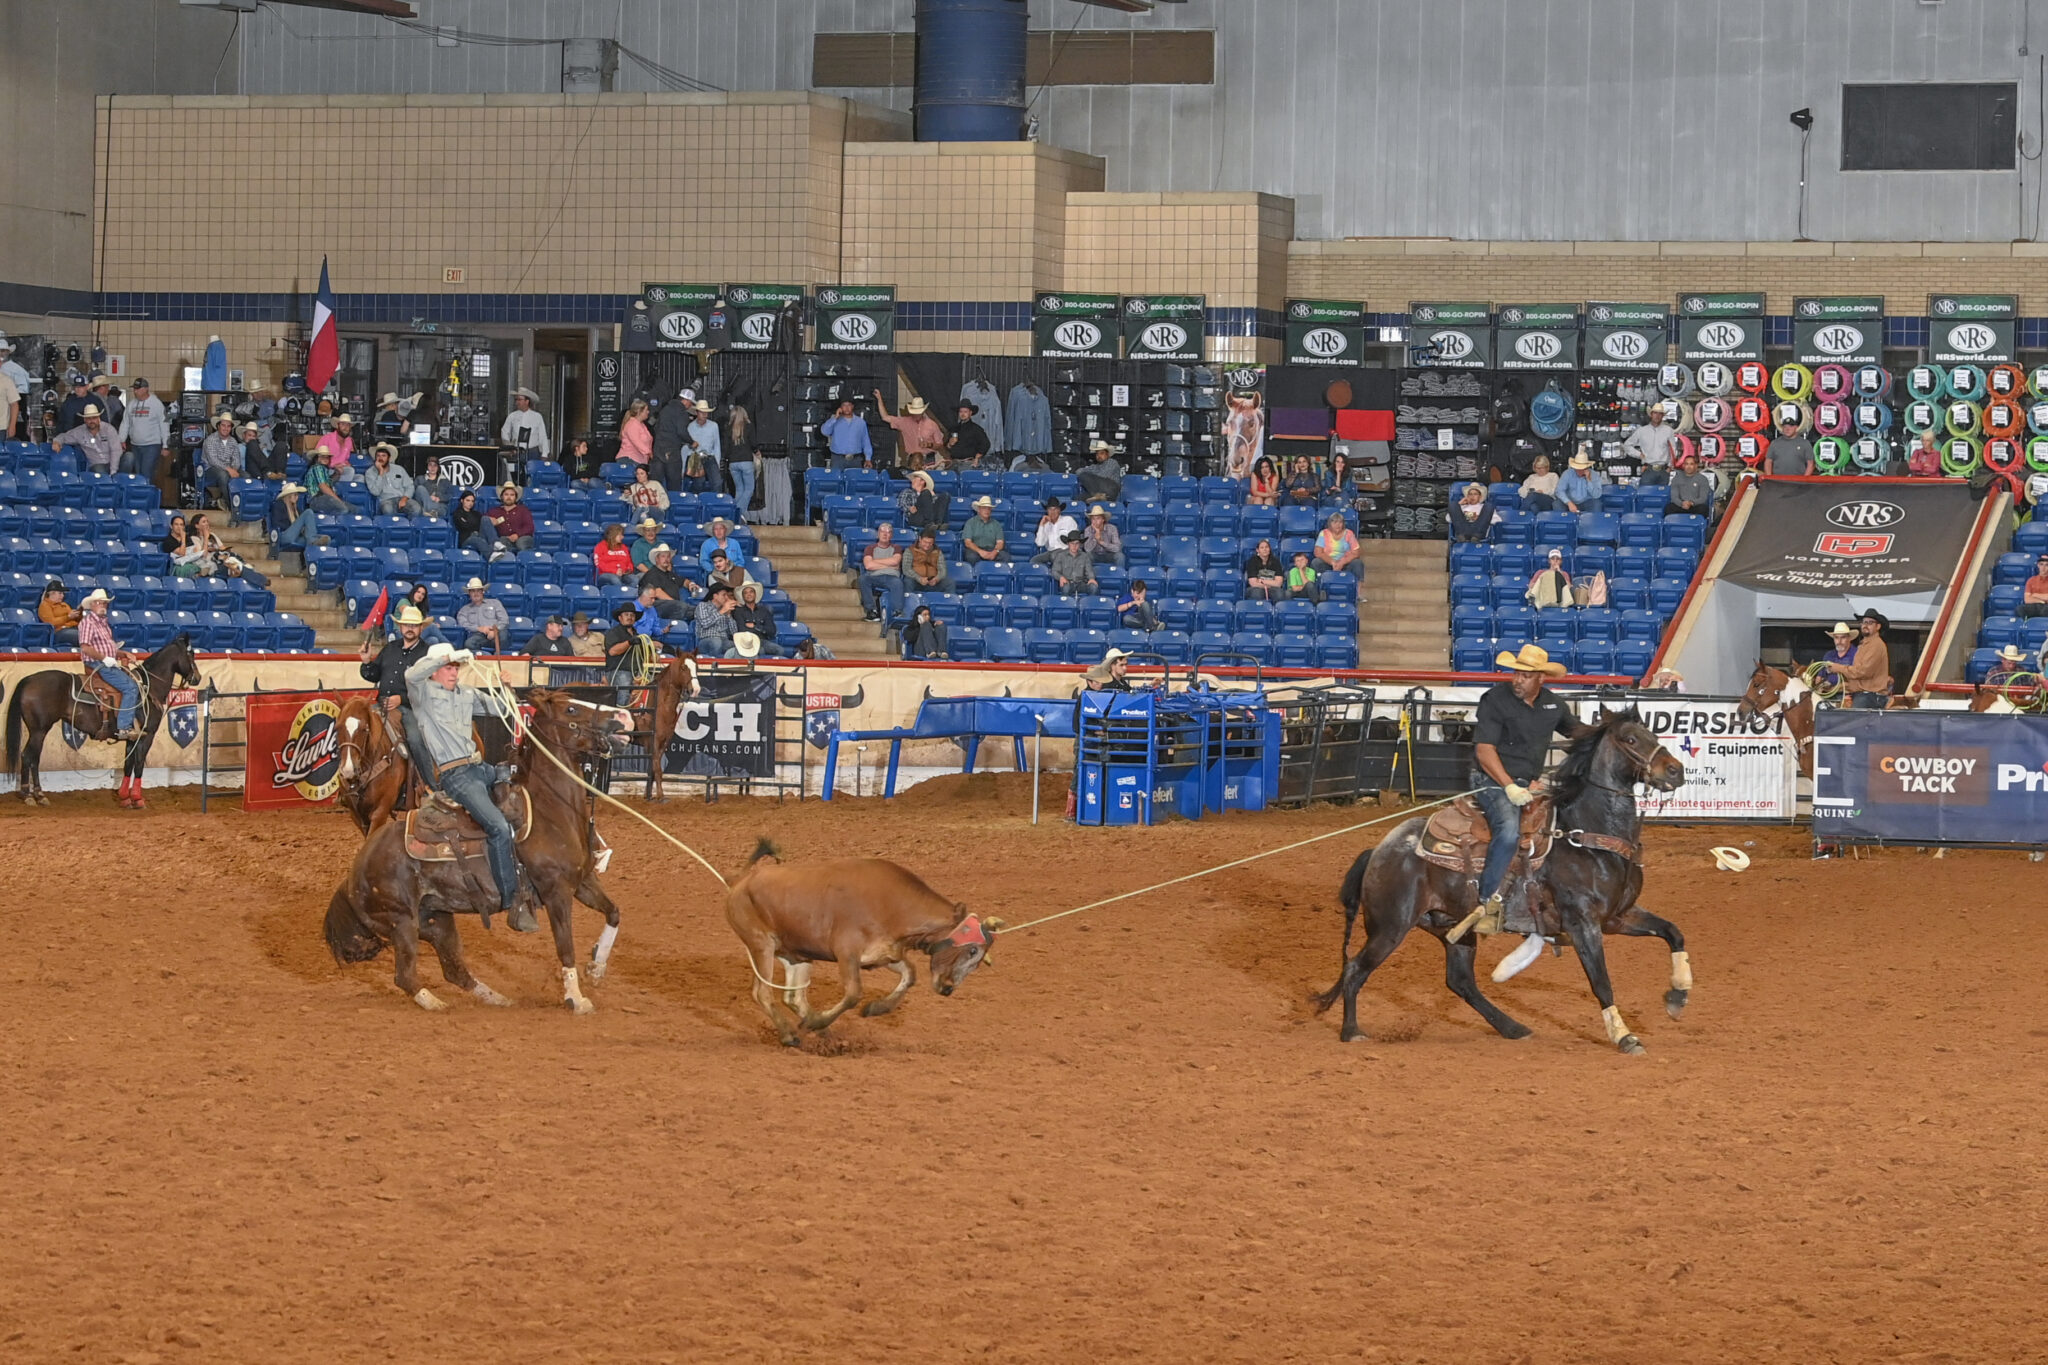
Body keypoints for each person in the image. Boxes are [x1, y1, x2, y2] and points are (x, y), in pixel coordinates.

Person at [1468, 643, 1583, 980]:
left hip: (1528, 783)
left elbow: (1577, 733)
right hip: (1491, 779)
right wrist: (1509, 786)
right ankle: (1487, 903)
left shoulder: (1552, 704)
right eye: (1516, 672)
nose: (1518, 679)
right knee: (1507, 830)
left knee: (1560, 832)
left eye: (1526, 674)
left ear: (1540, 679)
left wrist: (1608, 737)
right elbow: (1485, 749)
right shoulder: (1495, 699)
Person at [404, 642, 532, 931]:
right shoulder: (422, 693)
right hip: (456, 775)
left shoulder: (466, 694)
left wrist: (505, 688)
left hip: (479, 768)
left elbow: (500, 709)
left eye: (455, 667)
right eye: (448, 668)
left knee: (520, 790)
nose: (453, 672)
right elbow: (411, 676)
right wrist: (447, 656)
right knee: (497, 827)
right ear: (436, 670)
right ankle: (512, 899)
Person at [76, 588, 142, 740]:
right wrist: (104, 659)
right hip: (97, 664)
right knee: (131, 687)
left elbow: (109, 650)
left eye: (105, 603)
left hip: (105, 662)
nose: (103, 605)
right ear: (92, 604)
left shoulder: (104, 624)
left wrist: (123, 654)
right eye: (99, 602)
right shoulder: (88, 623)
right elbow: (85, 647)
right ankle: (124, 727)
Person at [1817, 610, 1891, 709]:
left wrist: (1837, 668)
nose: (1865, 625)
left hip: (1869, 696)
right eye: (1864, 622)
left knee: (1853, 721)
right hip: (1863, 695)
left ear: (1878, 626)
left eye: (1870, 623)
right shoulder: (1864, 645)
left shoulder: (1876, 645)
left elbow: (1862, 672)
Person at [874, 390, 947, 469]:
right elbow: (885, 417)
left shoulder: (932, 424)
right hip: (912, 458)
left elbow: (940, 445)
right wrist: (879, 399)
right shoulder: (904, 421)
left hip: (928, 458)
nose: (916, 414)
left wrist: (929, 445)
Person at [119, 378, 168, 484]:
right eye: (134, 389)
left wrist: (166, 445)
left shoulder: (156, 404)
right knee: (138, 474)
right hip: (135, 445)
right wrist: (121, 439)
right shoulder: (131, 404)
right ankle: (140, 496)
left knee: (146, 473)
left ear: (146, 389)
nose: (135, 391)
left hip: (152, 445)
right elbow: (125, 423)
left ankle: (147, 497)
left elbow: (164, 424)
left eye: (138, 389)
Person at [54, 403, 124, 476]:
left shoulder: (109, 429)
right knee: (99, 469)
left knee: (129, 457)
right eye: (88, 418)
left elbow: (115, 451)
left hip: (113, 462)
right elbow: (64, 436)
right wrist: (56, 441)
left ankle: (121, 481)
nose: (91, 421)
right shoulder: (79, 431)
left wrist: (113, 471)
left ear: (98, 418)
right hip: (96, 465)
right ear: (84, 420)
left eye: (94, 418)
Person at [636, 544, 700, 619]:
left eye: (668, 556)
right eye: (663, 556)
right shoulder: (651, 574)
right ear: (657, 559)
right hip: (657, 607)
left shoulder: (671, 575)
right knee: (682, 607)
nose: (666, 559)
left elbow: (683, 581)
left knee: (693, 610)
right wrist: (675, 603)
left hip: (674, 607)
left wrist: (690, 584)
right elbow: (658, 593)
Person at [1622, 403, 1679, 484]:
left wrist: (1670, 466)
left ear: (1663, 416)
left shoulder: (1669, 431)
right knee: (1646, 494)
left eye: (1660, 413)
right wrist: (1639, 454)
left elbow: (1673, 449)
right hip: (1648, 468)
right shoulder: (1642, 431)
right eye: (1655, 413)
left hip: (1663, 470)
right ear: (1651, 414)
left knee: (1661, 495)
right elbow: (1627, 445)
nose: (1657, 416)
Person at [860, 523, 905, 621]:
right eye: (882, 532)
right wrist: (889, 563)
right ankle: (871, 611)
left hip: (891, 577)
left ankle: (896, 612)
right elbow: (868, 565)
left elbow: (895, 561)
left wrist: (875, 562)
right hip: (874, 576)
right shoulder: (870, 548)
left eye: (888, 532)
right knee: (863, 579)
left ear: (891, 535)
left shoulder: (896, 548)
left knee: (898, 583)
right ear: (878, 534)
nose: (885, 534)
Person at [456, 577, 509, 654]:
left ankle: (497, 658)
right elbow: (463, 624)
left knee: (503, 636)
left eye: (478, 590)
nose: (476, 593)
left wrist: (495, 630)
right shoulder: (464, 610)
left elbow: (504, 620)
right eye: (473, 591)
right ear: (469, 593)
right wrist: (478, 628)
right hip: (479, 635)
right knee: (469, 643)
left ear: (482, 592)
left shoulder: (495, 603)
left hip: (497, 632)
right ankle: (484, 657)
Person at [364, 443, 419, 516]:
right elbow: (375, 492)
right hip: (385, 501)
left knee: (416, 508)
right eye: (378, 456)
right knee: (388, 510)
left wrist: (404, 498)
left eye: (383, 456)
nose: (380, 458)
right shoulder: (370, 472)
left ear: (389, 458)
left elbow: (410, 486)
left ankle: (409, 527)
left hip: (401, 498)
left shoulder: (399, 469)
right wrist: (380, 473)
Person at [732, 581, 785, 657]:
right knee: (761, 651)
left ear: (755, 594)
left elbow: (772, 630)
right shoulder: (738, 612)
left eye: (751, 592)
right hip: (748, 642)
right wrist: (762, 630)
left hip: (763, 640)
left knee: (780, 650)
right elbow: (741, 629)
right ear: (743, 596)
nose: (749, 594)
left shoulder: (764, 610)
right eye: (746, 593)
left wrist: (755, 626)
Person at [821, 397, 873, 469]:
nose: (847, 408)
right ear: (840, 407)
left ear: (852, 406)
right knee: (837, 480)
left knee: (855, 480)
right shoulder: (834, 420)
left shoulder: (860, 422)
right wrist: (835, 418)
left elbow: (866, 441)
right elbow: (824, 431)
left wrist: (868, 458)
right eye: (844, 405)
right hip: (838, 459)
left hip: (856, 460)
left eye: (849, 405)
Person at [603, 602, 648, 685]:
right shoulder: (613, 632)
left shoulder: (638, 636)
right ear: (620, 618)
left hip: (635, 672)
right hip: (619, 671)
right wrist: (629, 642)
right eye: (626, 615)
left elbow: (643, 655)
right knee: (624, 693)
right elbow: (613, 651)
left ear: (635, 618)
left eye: (632, 615)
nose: (629, 617)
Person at [501, 386, 551, 459]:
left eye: (519, 400)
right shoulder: (512, 416)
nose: (517, 402)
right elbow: (504, 431)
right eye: (516, 400)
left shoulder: (537, 416)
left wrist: (544, 454)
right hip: (516, 451)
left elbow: (542, 436)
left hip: (532, 452)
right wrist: (509, 446)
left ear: (527, 401)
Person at [650, 394, 689, 489]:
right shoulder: (681, 412)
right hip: (672, 451)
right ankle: (674, 503)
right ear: (685, 400)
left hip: (658, 450)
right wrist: (691, 442)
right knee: (674, 483)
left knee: (656, 485)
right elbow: (681, 431)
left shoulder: (664, 409)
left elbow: (656, 428)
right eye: (691, 403)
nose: (690, 406)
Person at [685, 400, 723, 494]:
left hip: (709, 456)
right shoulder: (690, 427)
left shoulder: (714, 426)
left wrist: (717, 461)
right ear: (697, 413)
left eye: (706, 412)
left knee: (717, 483)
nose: (705, 414)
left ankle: (714, 504)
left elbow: (717, 445)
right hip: (696, 457)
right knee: (698, 484)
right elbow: (687, 447)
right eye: (702, 412)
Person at [485, 484, 535, 557]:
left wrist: (517, 535)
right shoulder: (494, 511)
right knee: (501, 543)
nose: (509, 497)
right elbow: (483, 519)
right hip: (505, 538)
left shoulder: (523, 510)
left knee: (521, 543)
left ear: (515, 497)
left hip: (522, 537)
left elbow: (529, 526)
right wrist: (490, 520)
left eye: (512, 495)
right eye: (506, 494)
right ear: (502, 497)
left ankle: (525, 561)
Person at [1663, 452, 1715, 517]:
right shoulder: (1676, 479)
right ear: (1683, 465)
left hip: (1695, 506)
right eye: (1686, 464)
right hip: (1680, 505)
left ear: (1696, 465)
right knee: (1669, 508)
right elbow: (1674, 497)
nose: (1689, 467)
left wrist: (1691, 503)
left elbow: (1703, 498)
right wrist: (1682, 503)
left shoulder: (1703, 479)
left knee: (1703, 509)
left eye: (1691, 464)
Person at [1046, 529, 1096, 596]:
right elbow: (1054, 571)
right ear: (1068, 544)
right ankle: (1065, 605)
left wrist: (1091, 578)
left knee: (1093, 587)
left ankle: (1090, 605)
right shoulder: (1060, 556)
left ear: (1079, 544)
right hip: (1067, 582)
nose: (1074, 546)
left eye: (1077, 543)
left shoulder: (1085, 556)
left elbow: (1089, 570)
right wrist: (1061, 577)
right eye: (1072, 543)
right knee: (1066, 588)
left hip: (1081, 583)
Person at [695, 582, 738, 656]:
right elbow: (705, 623)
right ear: (715, 596)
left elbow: (734, 632)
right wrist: (721, 611)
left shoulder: (725, 609)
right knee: (716, 642)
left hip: (724, 640)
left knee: (736, 647)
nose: (726, 598)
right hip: (706, 639)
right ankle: (713, 665)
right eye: (724, 595)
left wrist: (728, 615)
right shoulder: (703, 605)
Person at [962, 495, 1007, 565]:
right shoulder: (970, 523)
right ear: (979, 509)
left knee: (1005, 557)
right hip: (976, 550)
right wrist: (980, 551)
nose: (987, 510)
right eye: (984, 508)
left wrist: (995, 552)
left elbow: (1000, 543)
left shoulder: (996, 524)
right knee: (971, 557)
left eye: (989, 508)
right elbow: (968, 542)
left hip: (992, 550)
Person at [1031, 497, 1079, 563]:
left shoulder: (1068, 520)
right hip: (1050, 552)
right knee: (1034, 560)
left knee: (1055, 555)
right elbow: (1039, 543)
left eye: (1055, 509)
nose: (1052, 512)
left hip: (1066, 550)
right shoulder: (1045, 524)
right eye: (1050, 509)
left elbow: (1076, 539)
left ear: (1059, 510)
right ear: (1047, 511)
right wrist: (1041, 525)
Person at [902, 470, 950, 535]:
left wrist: (933, 496)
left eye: (915, 479)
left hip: (930, 516)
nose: (912, 481)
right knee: (926, 493)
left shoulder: (930, 493)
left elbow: (935, 508)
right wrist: (909, 508)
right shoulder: (907, 492)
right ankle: (929, 524)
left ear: (922, 481)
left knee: (945, 495)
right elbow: (902, 504)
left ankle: (938, 524)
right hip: (916, 517)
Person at [1314, 512, 1361, 578]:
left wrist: (1342, 563)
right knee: (1316, 562)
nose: (1337, 525)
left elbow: (1356, 553)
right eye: (1335, 522)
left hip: (1345, 563)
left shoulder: (1349, 533)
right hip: (1328, 563)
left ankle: (1358, 587)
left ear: (1343, 524)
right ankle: (1319, 585)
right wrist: (1332, 562)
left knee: (1357, 563)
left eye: (1340, 522)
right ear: (1330, 524)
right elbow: (1318, 552)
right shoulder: (1324, 533)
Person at [906, 527, 951, 593]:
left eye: (930, 543)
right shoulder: (910, 551)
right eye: (925, 542)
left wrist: (937, 579)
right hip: (916, 580)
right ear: (920, 539)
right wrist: (919, 579)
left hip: (933, 580)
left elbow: (943, 570)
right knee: (908, 581)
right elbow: (906, 569)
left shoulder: (938, 552)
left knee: (949, 582)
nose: (927, 545)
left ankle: (949, 602)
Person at [946, 401, 990, 468]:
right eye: (961, 411)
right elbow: (946, 446)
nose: (963, 414)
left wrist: (977, 457)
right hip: (954, 463)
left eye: (965, 412)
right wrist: (949, 444)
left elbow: (986, 444)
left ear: (970, 413)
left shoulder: (976, 429)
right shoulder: (954, 428)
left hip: (968, 463)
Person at [39, 580, 80, 647]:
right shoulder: (45, 606)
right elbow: (51, 622)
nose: (62, 596)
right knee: (83, 637)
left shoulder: (64, 605)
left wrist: (78, 616)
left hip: (74, 628)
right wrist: (68, 617)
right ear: (52, 593)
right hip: (59, 631)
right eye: (60, 593)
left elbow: (72, 617)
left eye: (63, 593)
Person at [1243, 538, 1286, 602]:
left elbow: (1279, 583)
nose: (1265, 549)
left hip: (1272, 588)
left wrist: (1262, 581)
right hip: (1256, 588)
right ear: (1257, 550)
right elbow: (1253, 583)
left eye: (1266, 547)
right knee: (1257, 594)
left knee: (1280, 594)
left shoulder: (1276, 561)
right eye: (1262, 548)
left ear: (1269, 549)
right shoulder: (1252, 561)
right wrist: (1269, 584)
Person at [1083, 503, 1125, 568]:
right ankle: (1089, 576)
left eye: (1098, 518)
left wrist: (1101, 542)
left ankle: (1119, 575)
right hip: (1095, 555)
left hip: (1109, 554)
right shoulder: (1088, 530)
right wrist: (1095, 538)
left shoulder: (1112, 528)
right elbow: (1087, 549)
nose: (1095, 521)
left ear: (1103, 520)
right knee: (1087, 555)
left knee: (1120, 556)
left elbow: (1117, 548)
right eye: (1093, 519)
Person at [451, 490, 491, 558]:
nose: (470, 503)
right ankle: (491, 556)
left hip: (478, 535)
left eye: (472, 501)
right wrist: (475, 528)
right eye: (468, 500)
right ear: (462, 500)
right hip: (466, 539)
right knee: (477, 540)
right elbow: (464, 526)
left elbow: (481, 525)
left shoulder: (477, 514)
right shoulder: (457, 513)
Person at [414, 455, 454, 521]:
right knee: (420, 488)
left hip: (439, 507)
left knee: (441, 509)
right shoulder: (420, 479)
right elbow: (415, 494)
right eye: (430, 465)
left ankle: (427, 512)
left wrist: (439, 498)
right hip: (423, 506)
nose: (432, 467)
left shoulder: (445, 480)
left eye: (435, 465)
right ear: (427, 467)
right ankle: (430, 512)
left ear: (438, 467)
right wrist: (427, 498)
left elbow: (450, 495)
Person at [619, 399, 654, 472]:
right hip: (630, 459)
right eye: (646, 410)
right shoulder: (632, 425)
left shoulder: (641, 425)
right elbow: (637, 442)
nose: (648, 412)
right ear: (639, 412)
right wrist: (649, 453)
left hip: (640, 460)